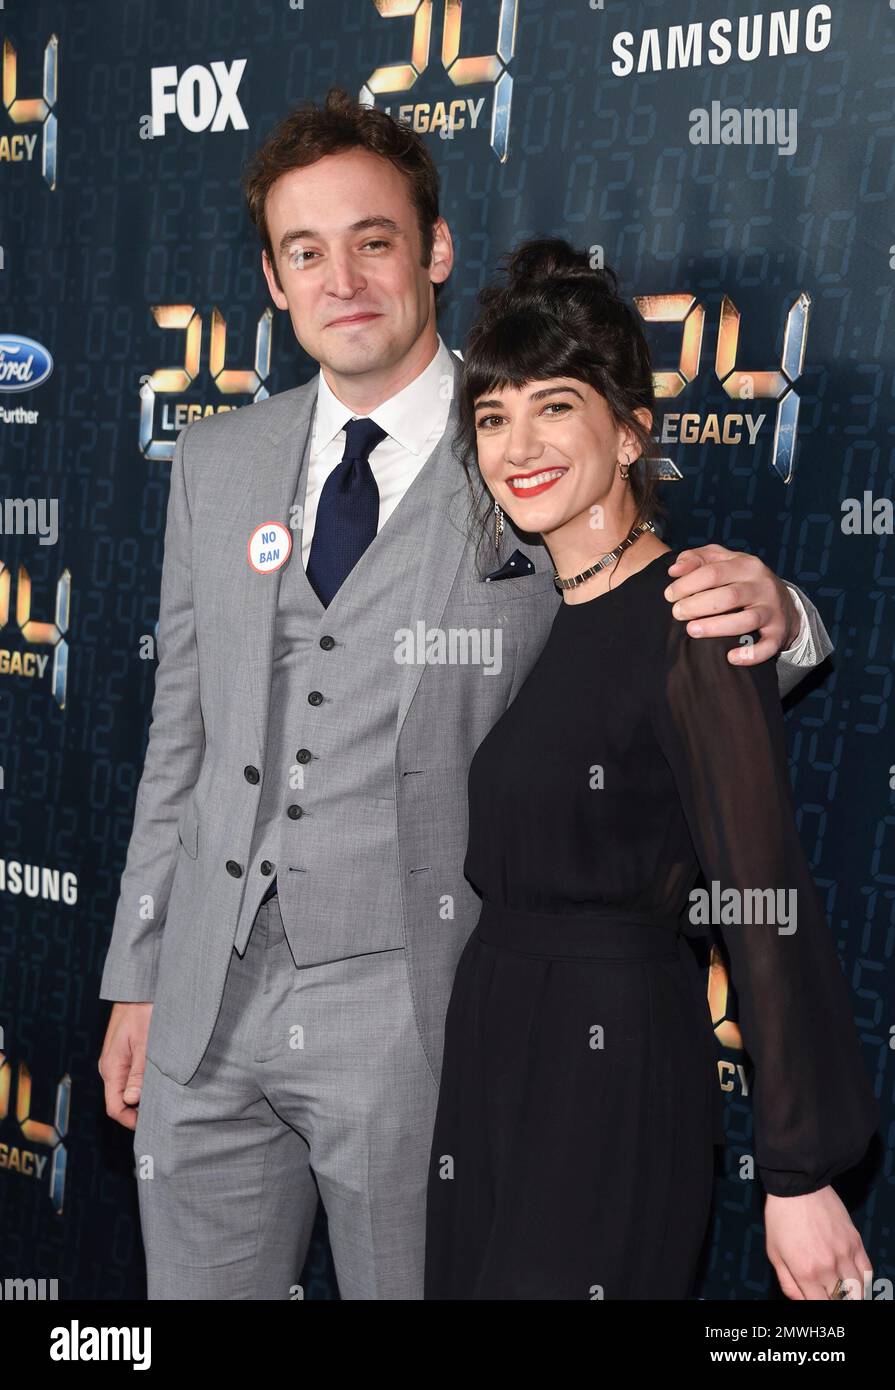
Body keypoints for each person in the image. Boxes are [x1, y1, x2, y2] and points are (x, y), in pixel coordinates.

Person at [98, 89, 833, 1300]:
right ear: (272, 283)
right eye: (304, 252)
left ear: (432, 250)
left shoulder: (522, 444)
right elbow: (181, 730)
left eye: (373, 240)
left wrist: (784, 612)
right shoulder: (219, 461)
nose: (342, 279)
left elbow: (654, 623)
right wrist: (138, 970)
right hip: (203, 1000)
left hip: (417, 1013)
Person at [423, 239, 879, 1301]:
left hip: (610, 1073)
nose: (515, 444)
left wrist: (800, 1170)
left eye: (554, 408)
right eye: (492, 417)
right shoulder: (543, 613)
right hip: (496, 1059)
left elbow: (761, 891)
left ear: (630, 433)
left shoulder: (696, 612)